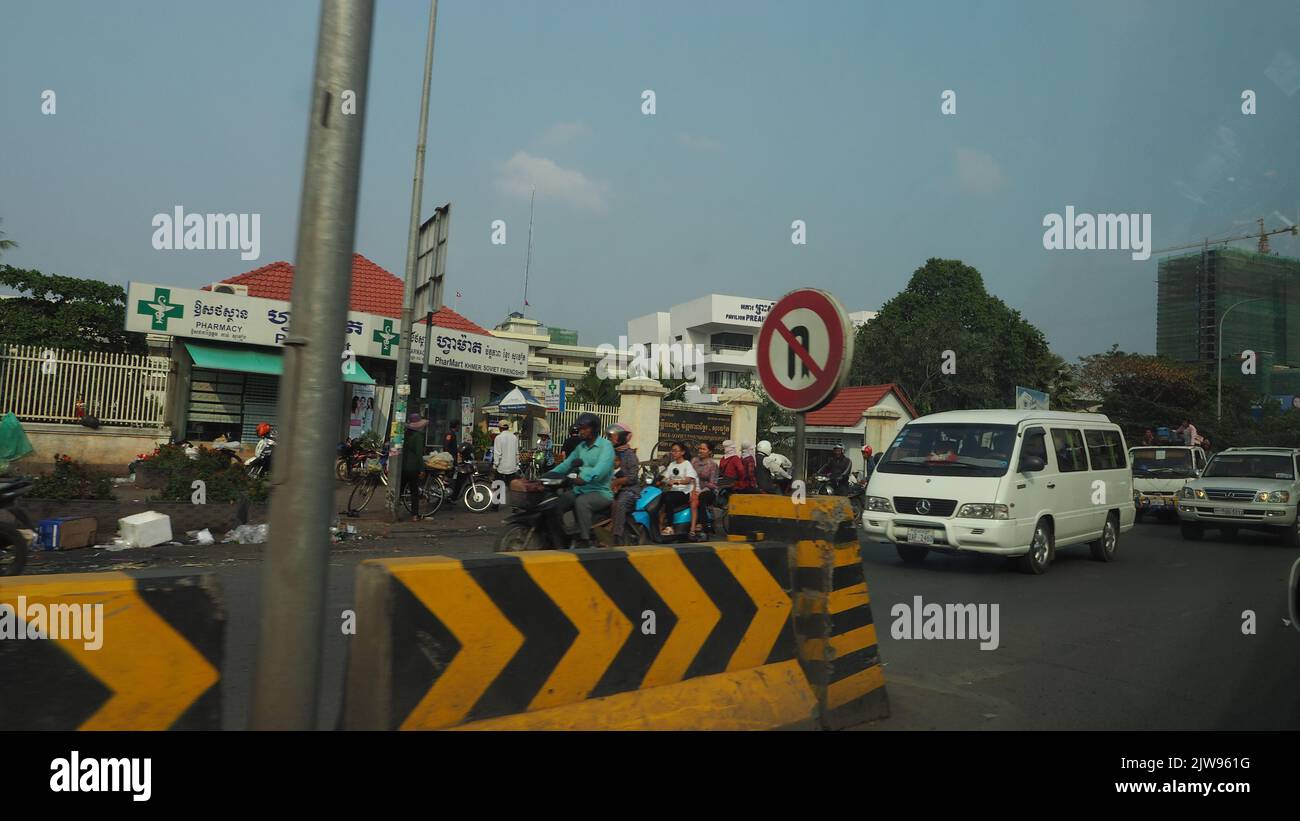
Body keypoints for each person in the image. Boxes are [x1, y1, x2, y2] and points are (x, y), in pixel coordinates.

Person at [548, 412, 616, 548]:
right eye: (580, 428)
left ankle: (585, 540)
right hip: (579, 489)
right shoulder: (581, 447)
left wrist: (584, 478)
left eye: (585, 428)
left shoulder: (606, 446)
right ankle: (558, 538)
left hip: (600, 492)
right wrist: (548, 475)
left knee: (582, 502)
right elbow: (567, 464)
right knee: (555, 503)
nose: (581, 431)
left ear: (594, 429)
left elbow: (601, 469)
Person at [607, 423, 641, 545]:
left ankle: (617, 536)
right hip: (610, 488)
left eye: (613, 436)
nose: (610, 439)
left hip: (629, 490)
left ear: (622, 437)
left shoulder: (630, 455)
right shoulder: (610, 453)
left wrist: (617, 482)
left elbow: (632, 478)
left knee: (620, 503)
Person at [657, 442, 699, 537]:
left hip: (685, 492)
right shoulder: (672, 464)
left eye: (676, 451)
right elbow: (665, 477)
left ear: (682, 452)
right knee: (659, 497)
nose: (673, 453)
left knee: (668, 498)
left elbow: (689, 479)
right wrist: (660, 480)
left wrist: (677, 482)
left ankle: (670, 526)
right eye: (672, 451)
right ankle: (659, 524)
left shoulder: (687, 464)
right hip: (673, 491)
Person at [400, 412, 429, 522]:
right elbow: (418, 454)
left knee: (400, 490)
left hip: (403, 467)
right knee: (414, 492)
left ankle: (394, 510)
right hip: (413, 468)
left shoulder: (405, 434)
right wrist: (422, 469)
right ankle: (414, 515)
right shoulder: (418, 437)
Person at [689, 441, 720, 540]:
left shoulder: (712, 464)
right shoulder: (694, 461)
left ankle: (704, 530)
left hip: (708, 491)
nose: (701, 451)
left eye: (703, 449)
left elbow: (713, 483)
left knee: (701, 498)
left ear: (709, 451)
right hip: (693, 488)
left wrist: (701, 491)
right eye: (700, 448)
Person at [491, 420, 519, 511]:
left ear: (500, 428)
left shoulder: (498, 438)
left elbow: (497, 453)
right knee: (513, 487)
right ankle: (515, 506)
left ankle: (496, 506)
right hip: (512, 467)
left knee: (499, 485)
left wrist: (495, 465)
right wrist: (517, 464)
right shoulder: (514, 437)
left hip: (501, 467)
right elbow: (516, 453)